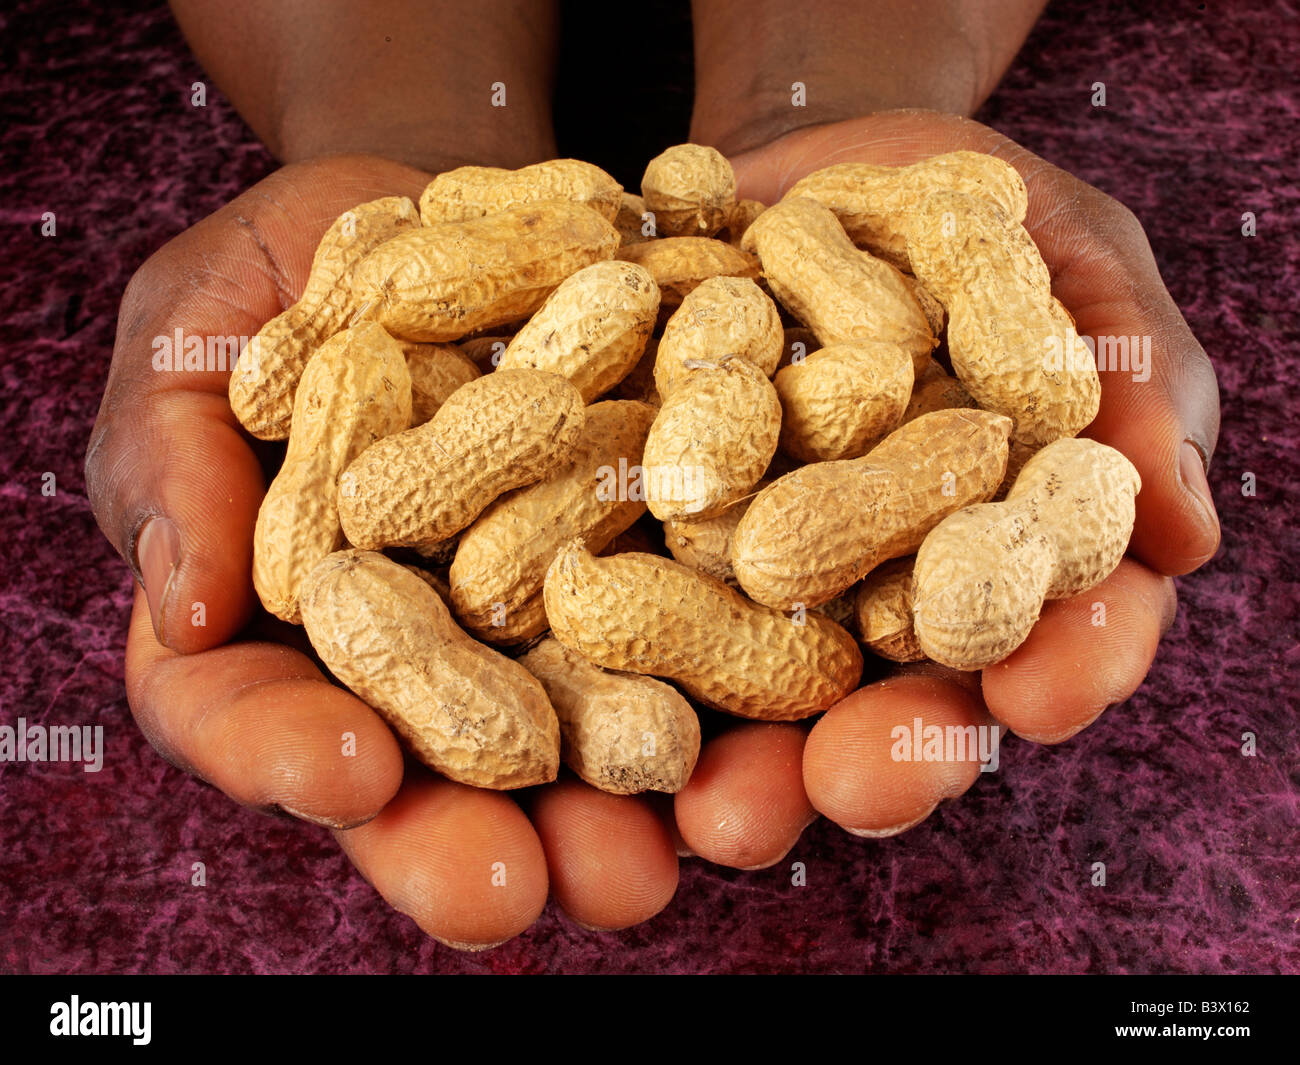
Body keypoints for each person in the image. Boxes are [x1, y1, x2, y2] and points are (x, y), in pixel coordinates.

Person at [85, 0, 1221, 950]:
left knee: (751, 527)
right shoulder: (443, 370)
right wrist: (393, 124)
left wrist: (817, 110)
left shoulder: (814, 344)